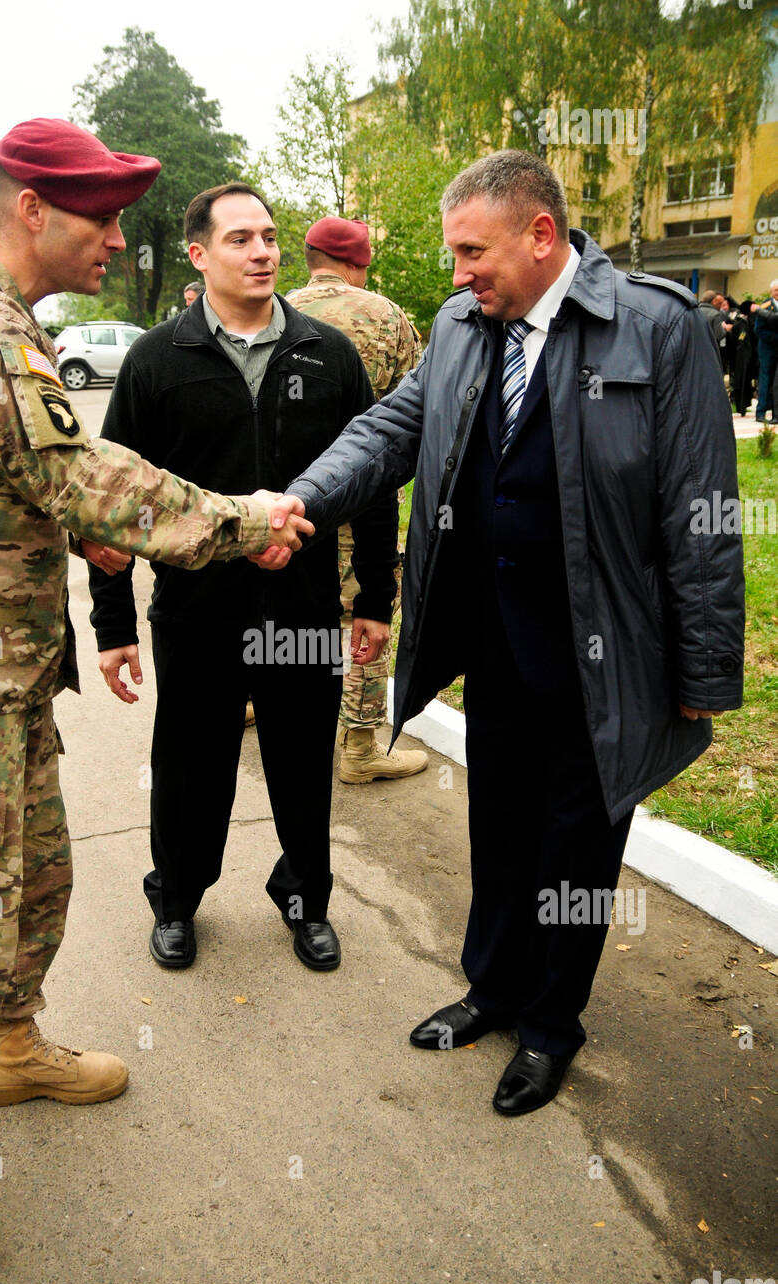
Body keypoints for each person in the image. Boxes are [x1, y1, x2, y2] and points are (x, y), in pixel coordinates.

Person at [0, 121, 311, 1283]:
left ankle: (9, 1045)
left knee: (37, 870)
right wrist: (241, 521)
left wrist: (74, 546)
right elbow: (81, 475)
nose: (117, 237)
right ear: (30, 211)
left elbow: (33, 485)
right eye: (99, 216)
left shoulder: (3, 322)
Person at [272, 150, 744, 1116]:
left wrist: (705, 664)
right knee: (499, 825)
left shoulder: (655, 326)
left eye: (469, 252)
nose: (456, 275)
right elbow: (388, 432)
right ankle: (490, 987)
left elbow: (702, 505)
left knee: (575, 847)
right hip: (490, 637)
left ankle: (548, 1026)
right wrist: (302, 498)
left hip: (599, 649)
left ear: (540, 236)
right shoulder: (459, 325)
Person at [86, 183, 397, 974]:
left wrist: (374, 598)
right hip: (197, 609)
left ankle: (305, 900)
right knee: (192, 766)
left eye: (268, 237)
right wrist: (114, 626)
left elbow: (370, 476)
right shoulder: (159, 360)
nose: (261, 252)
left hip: (300, 606)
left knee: (299, 762)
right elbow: (112, 505)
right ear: (199, 254)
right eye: (239, 240)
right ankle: (179, 900)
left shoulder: (329, 354)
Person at [287, 215, 428, 785]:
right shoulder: (387, 316)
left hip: (283, 497)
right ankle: (361, 747)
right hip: (361, 493)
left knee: (278, 597)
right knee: (363, 613)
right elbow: (410, 410)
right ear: (360, 264)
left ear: (309, 256)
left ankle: (256, 700)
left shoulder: (269, 307)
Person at [751, 278, 778, 421]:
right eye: (776, 290)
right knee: (766, 380)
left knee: (777, 383)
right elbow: (759, 330)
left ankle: (775, 413)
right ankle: (760, 413)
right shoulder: (765, 306)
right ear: (771, 292)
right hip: (767, 349)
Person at [731, 300, 757, 417]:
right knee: (742, 381)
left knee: (743, 381)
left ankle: (743, 405)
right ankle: (742, 406)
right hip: (743, 357)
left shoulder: (740, 322)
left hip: (744, 356)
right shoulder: (743, 323)